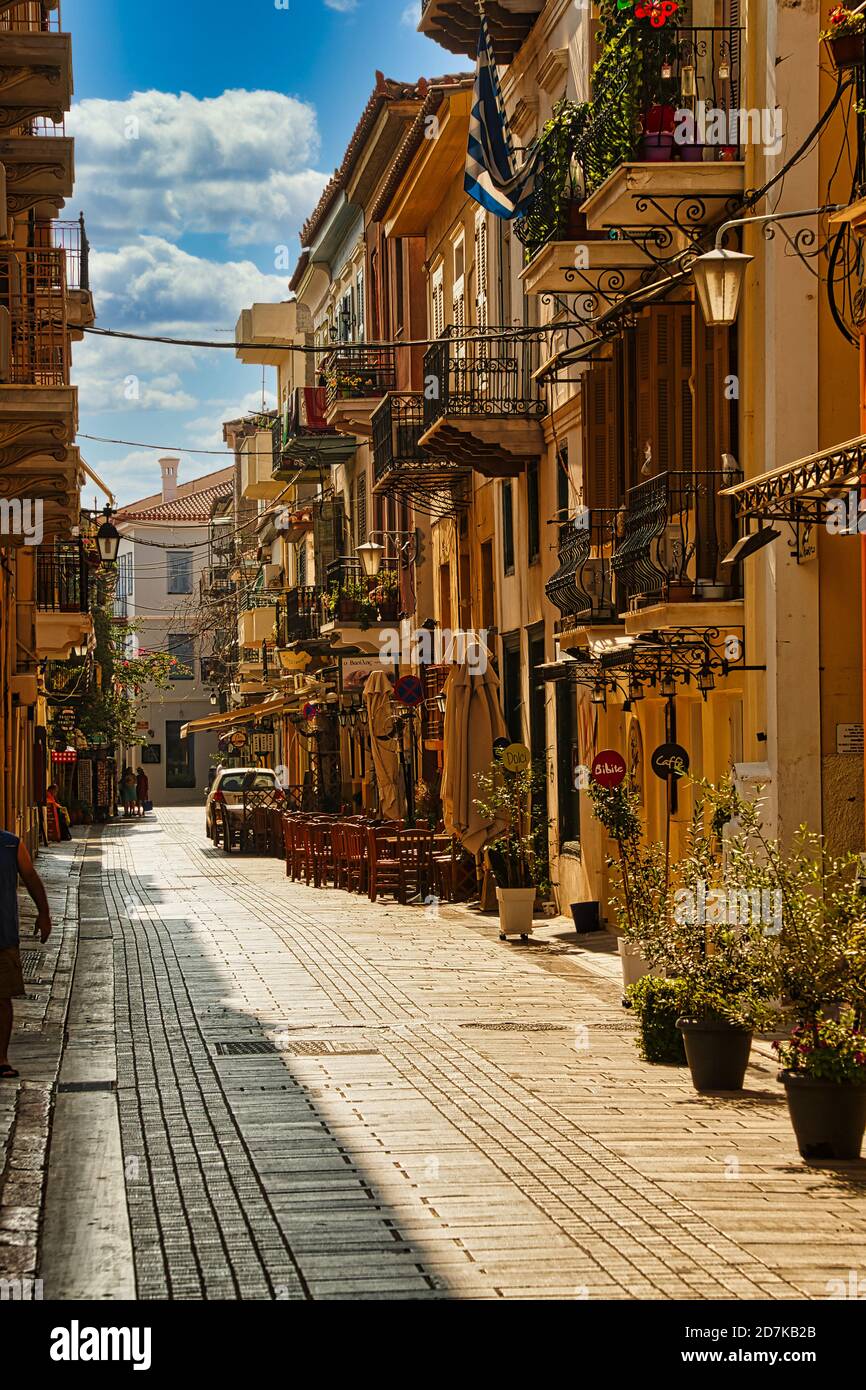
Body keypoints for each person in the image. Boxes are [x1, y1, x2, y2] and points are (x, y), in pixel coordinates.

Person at [0, 833, 52, 1080]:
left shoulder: (10, 844)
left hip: (3, 935)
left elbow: (30, 877)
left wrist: (44, 914)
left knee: (2, 998)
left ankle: (1, 1058)